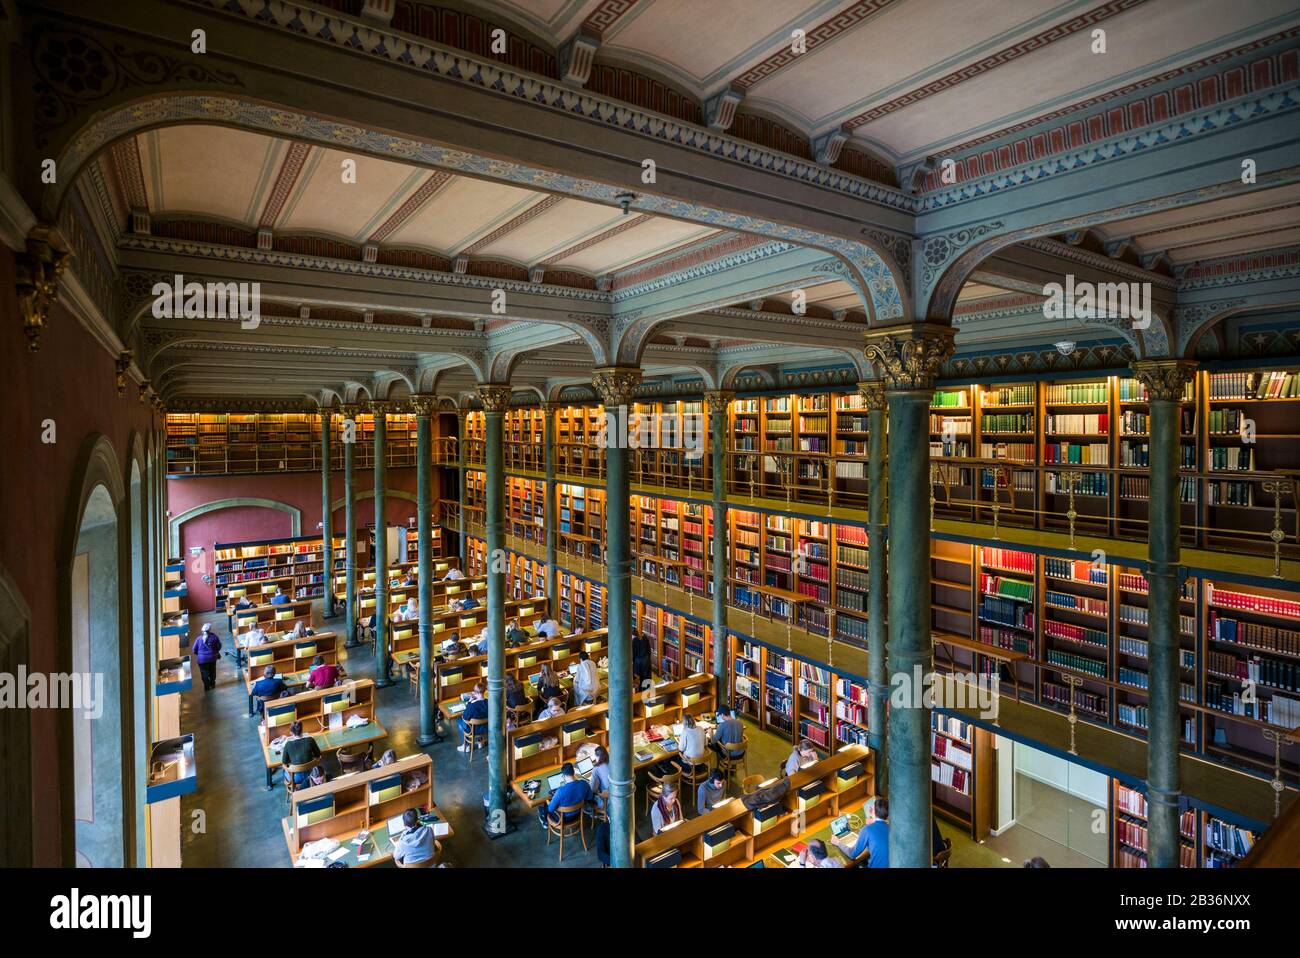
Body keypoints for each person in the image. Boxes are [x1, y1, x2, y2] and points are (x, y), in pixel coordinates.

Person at [837, 797, 890, 867]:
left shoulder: (867, 830)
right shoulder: (891, 827)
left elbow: (852, 854)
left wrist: (838, 842)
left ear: (873, 811)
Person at [537, 762, 592, 828]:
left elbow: (550, 809)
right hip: (578, 815)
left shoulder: (560, 791)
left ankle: (545, 822)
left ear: (563, 776)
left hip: (563, 819)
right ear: (574, 772)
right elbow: (590, 797)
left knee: (545, 806)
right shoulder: (584, 783)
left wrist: (554, 797)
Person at [280, 721, 321, 788]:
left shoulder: (288, 745)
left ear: (291, 733)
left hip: (296, 778)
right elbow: (318, 755)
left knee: (283, 769)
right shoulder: (310, 740)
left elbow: (284, 762)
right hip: (312, 773)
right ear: (302, 730)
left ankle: (294, 788)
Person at [457, 684, 489, 752]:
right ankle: (480, 742)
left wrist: (469, 702)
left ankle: (467, 745)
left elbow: (465, 717)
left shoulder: (472, 706)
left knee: (459, 721)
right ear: (484, 691)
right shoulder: (489, 702)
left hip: (474, 730)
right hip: (486, 728)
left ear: (475, 692)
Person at [192, 623, 222, 691]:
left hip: (202, 660)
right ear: (210, 630)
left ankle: (207, 686)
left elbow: (194, 650)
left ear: (202, 631)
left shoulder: (199, 639)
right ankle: (212, 684)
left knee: (204, 673)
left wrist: (200, 654)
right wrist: (215, 652)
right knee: (212, 671)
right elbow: (219, 646)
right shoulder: (214, 637)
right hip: (212, 658)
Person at [588, 745, 612, 811]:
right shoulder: (612, 761)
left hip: (607, 797)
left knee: (588, 795)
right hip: (617, 792)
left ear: (597, 757)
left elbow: (592, 789)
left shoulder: (596, 768)